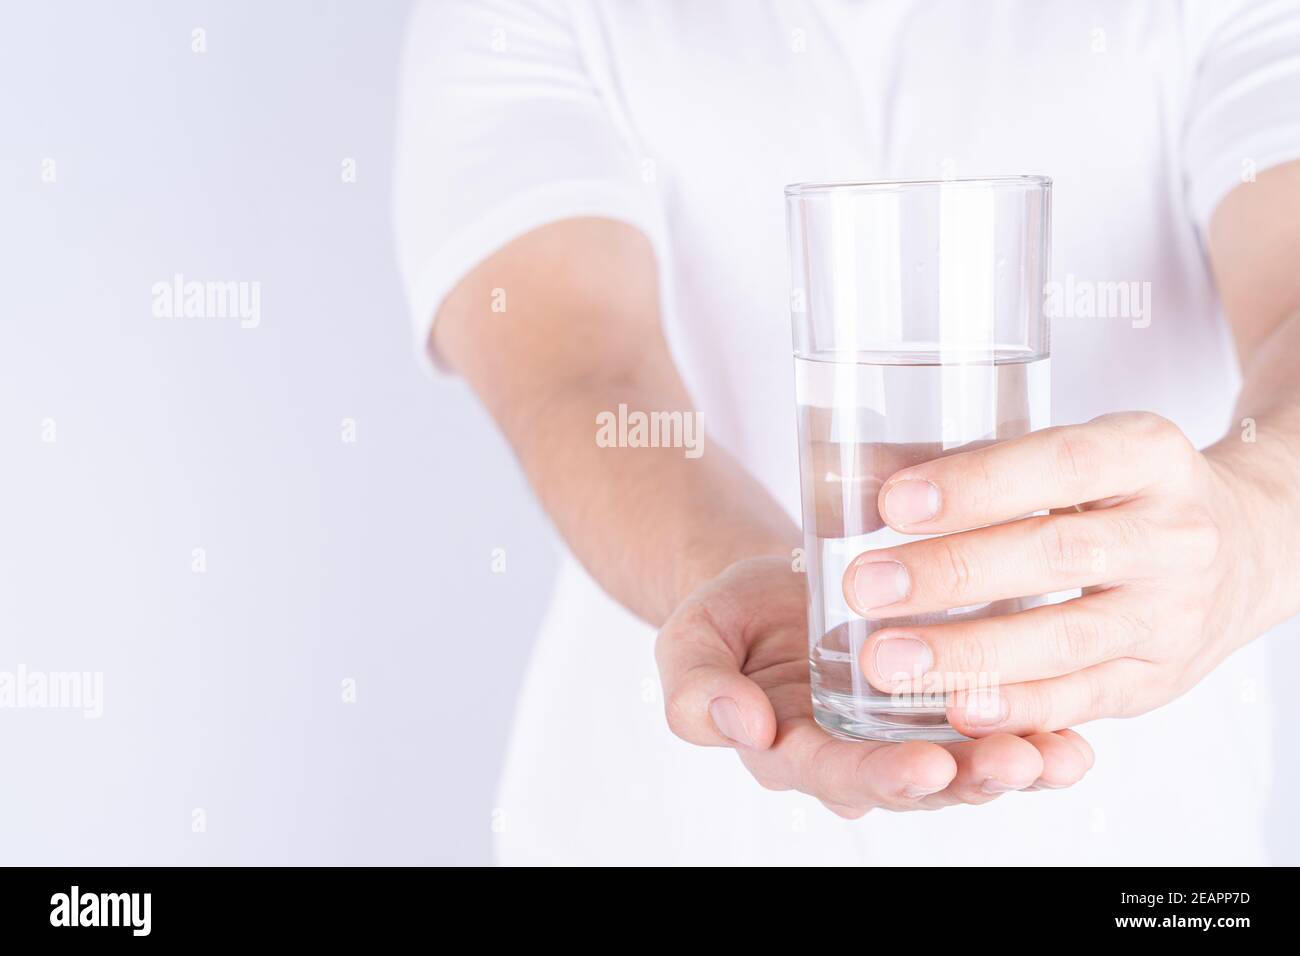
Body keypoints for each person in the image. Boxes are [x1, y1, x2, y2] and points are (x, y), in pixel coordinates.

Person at [393, 0, 1300, 865]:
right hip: (660, 832)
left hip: (1149, 849)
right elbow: (582, 367)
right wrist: (751, 580)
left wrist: (1251, 528)